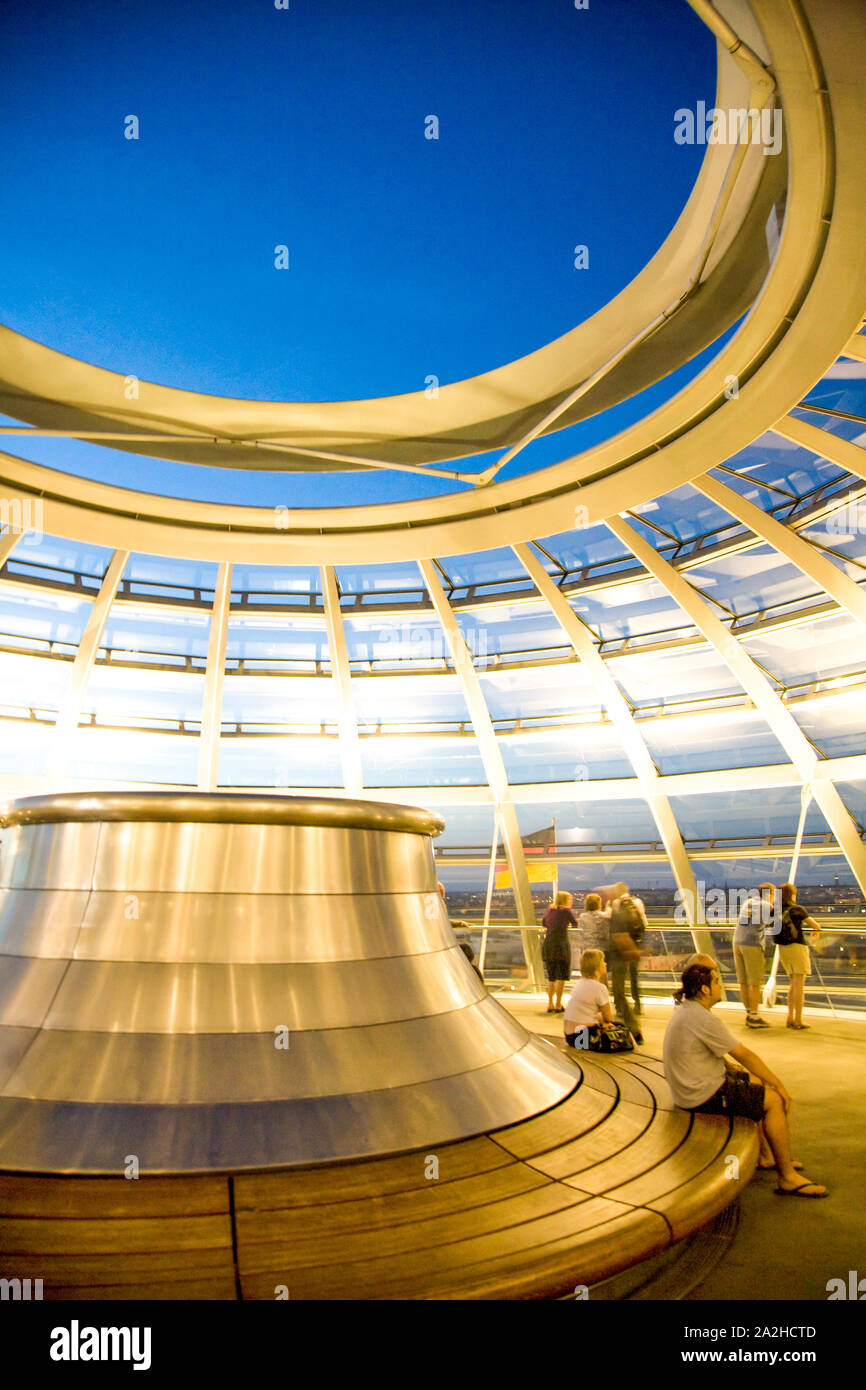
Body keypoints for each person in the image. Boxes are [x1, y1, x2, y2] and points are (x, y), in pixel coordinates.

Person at [663, 960, 827, 1197]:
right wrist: (779, 1085)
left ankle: (767, 1156)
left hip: (689, 1088)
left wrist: (754, 1077)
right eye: (717, 981)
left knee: (756, 1083)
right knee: (773, 1101)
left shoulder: (687, 1010)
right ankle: (788, 1177)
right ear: (706, 989)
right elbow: (745, 1054)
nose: (721, 985)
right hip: (702, 1095)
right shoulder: (702, 1018)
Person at [776, 883, 820, 1030]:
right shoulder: (797, 909)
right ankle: (798, 1019)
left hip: (783, 948)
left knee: (792, 984)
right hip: (797, 947)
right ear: (792, 895)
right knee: (799, 985)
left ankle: (790, 1017)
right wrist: (816, 932)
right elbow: (815, 925)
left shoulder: (775, 910)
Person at [732, 882, 774, 1028]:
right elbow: (775, 924)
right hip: (752, 943)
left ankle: (749, 1013)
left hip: (737, 941)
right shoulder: (767, 906)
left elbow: (745, 922)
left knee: (743, 981)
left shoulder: (748, 902)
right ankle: (754, 1016)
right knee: (754, 981)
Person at [607, 890, 645, 1045]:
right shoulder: (634, 908)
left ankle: (634, 1030)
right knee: (625, 987)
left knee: (619, 992)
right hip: (630, 954)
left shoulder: (618, 913)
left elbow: (618, 935)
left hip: (619, 956)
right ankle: (635, 1008)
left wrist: (630, 950)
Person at [563, 949, 613, 1049]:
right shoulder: (599, 988)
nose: (605, 964)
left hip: (570, 1037)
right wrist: (603, 1020)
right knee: (624, 1033)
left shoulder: (579, 984)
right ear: (596, 968)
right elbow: (608, 1018)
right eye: (602, 962)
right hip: (584, 1037)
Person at [541, 890, 579, 1013]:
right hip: (561, 945)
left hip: (549, 944)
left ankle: (550, 1003)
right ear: (566, 900)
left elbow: (544, 923)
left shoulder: (550, 910)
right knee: (561, 975)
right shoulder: (566, 910)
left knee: (551, 976)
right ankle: (558, 1004)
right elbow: (575, 924)